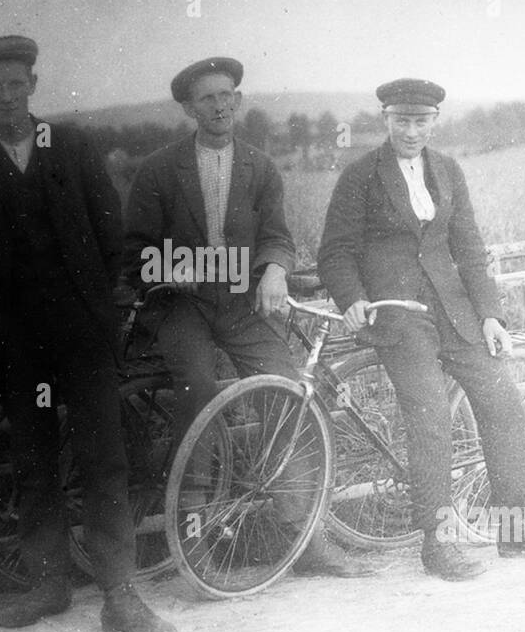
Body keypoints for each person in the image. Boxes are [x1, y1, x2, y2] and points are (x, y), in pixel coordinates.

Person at [0, 35, 177, 632]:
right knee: (33, 461)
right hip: (13, 340)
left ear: (33, 86)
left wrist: (105, 302)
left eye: (16, 85)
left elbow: (111, 228)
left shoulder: (73, 146)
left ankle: (120, 594)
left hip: (81, 333)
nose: (6, 97)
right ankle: (48, 584)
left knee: (103, 458)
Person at [124, 56, 372, 578]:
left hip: (240, 303)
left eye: (227, 95)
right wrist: (176, 268)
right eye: (207, 98)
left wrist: (275, 271)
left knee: (289, 391)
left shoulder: (260, 166)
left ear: (238, 101)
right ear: (190, 108)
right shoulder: (158, 169)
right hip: (181, 305)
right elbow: (134, 250)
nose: (219, 105)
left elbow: (277, 235)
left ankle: (302, 537)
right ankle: (197, 542)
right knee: (196, 389)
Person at [316, 78, 525, 581]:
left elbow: (469, 249)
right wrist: (352, 299)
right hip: (397, 315)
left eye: (421, 121)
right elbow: (335, 251)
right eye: (401, 120)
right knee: (431, 413)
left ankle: (518, 532)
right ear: (386, 120)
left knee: (502, 399)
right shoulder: (360, 176)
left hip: (454, 312)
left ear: (435, 122)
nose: (411, 131)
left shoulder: (448, 171)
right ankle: (438, 544)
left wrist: (491, 316)